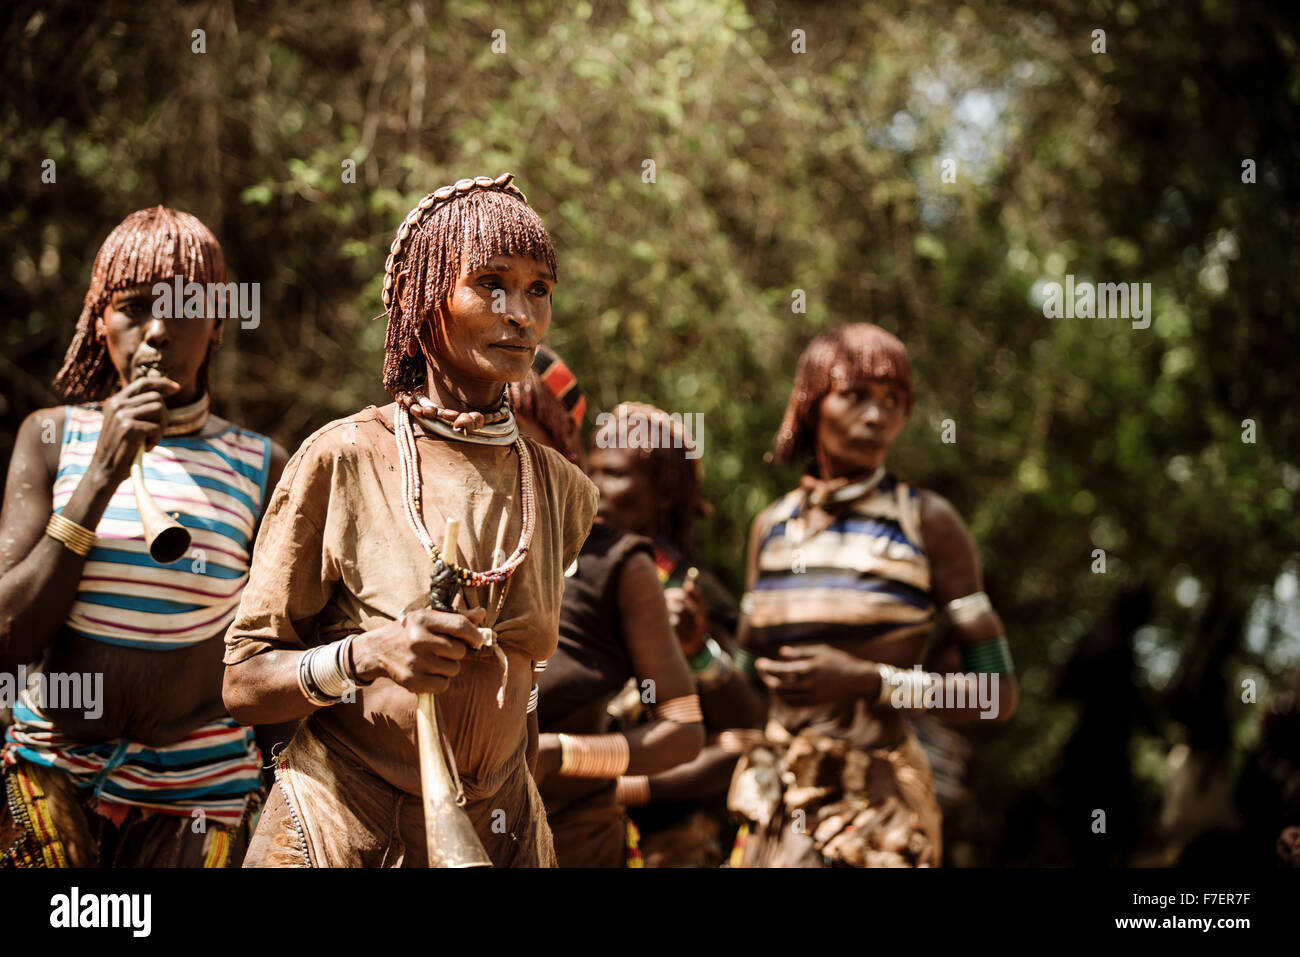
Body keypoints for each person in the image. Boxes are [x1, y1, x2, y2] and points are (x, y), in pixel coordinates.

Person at [222, 174, 598, 868]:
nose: (519, 312)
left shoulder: (563, 491)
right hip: (341, 831)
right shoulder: (344, 458)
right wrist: (368, 655)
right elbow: (243, 681)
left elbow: (522, 689)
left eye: (538, 289)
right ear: (424, 301)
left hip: (499, 834)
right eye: (490, 282)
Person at [0, 206, 289, 867]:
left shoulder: (262, 465)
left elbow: (270, 652)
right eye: (132, 308)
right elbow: (7, 635)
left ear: (217, 323)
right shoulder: (52, 439)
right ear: (100, 323)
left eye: (184, 308)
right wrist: (98, 476)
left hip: (200, 795)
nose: (158, 331)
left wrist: (285, 798)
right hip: (54, 773)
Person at [728, 322, 1019, 868]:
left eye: (893, 401)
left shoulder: (926, 521)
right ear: (813, 403)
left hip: (875, 814)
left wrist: (869, 681)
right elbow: (747, 687)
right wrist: (697, 649)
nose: (876, 415)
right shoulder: (770, 528)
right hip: (774, 809)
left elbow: (995, 697)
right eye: (855, 396)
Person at [511, 350, 705, 867]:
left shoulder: (616, 562)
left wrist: (567, 755)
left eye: (516, 431)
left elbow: (687, 730)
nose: (489, 444)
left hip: (574, 842)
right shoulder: (417, 539)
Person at [588, 403, 765, 866]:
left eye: (614, 474)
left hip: (670, 845)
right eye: (591, 472)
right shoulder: (572, 578)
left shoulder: (693, 592)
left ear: (662, 493)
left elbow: (743, 738)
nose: (596, 488)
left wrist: (626, 787)